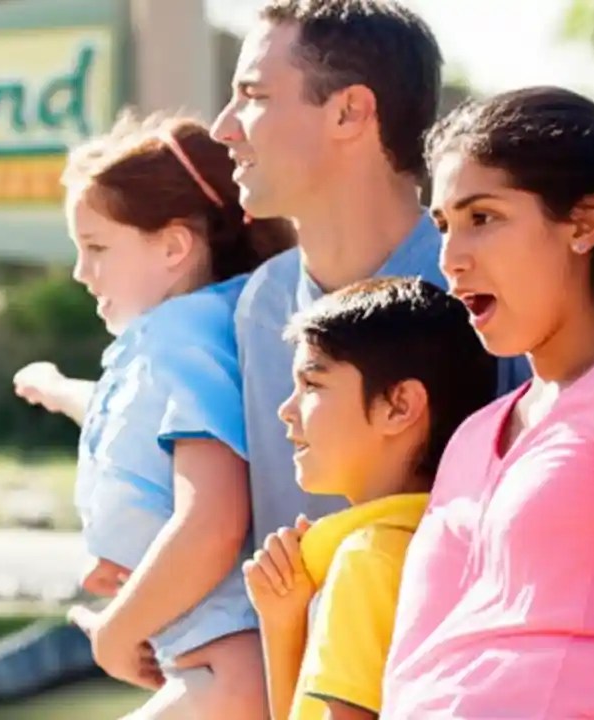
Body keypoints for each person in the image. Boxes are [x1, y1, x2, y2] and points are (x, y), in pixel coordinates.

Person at [383, 86, 594, 719]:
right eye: (443, 226)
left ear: (583, 224)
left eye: (484, 218)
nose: (452, 259)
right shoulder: (475, 435)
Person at [209, 0, 531, 550]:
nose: (222, 128)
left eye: (254, 96)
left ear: (350, 112)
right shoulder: (261, 305)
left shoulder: (490, 290)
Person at [18, 111, 296, 718]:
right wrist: (60, 389)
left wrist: (118, 630)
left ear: (173, 246)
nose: (79, 272)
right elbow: (134, 424)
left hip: (223, 676)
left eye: (95, 248)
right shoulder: (188, 334)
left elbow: (214, 519)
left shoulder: (182, 335)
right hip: (211, 671)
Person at [243, 277, 495, 720]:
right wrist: (284, 622)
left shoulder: (370, 558)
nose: (286, 409)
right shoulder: (448, 538)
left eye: (312, 385)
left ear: (399, 405)